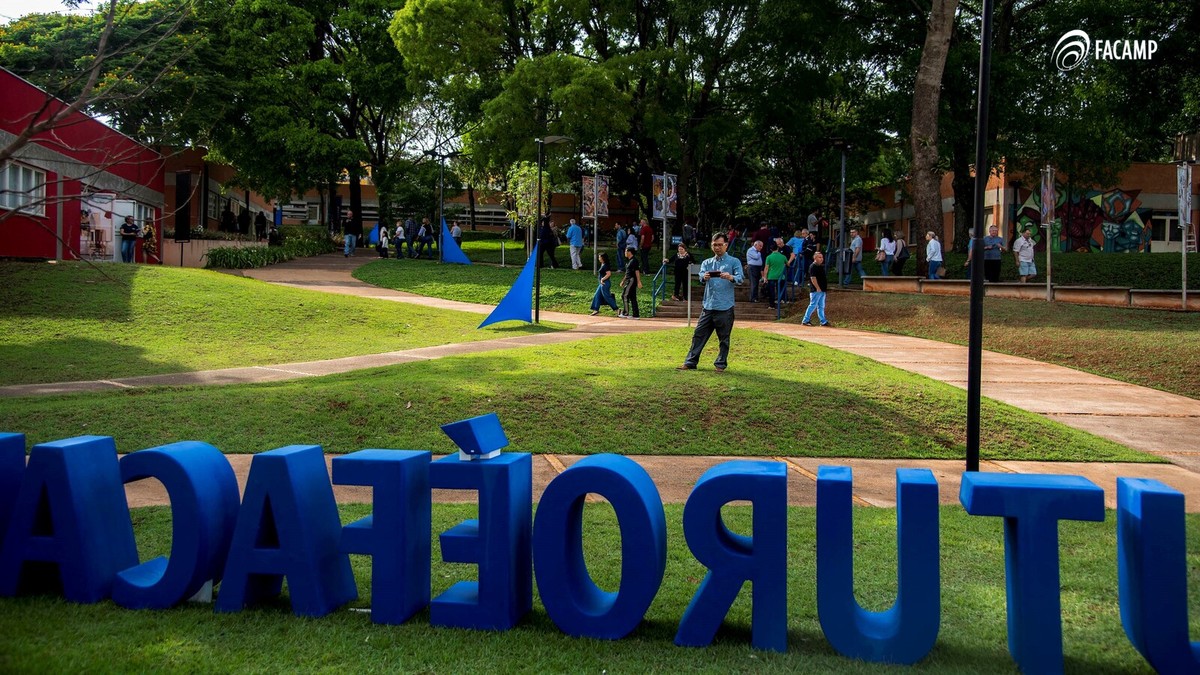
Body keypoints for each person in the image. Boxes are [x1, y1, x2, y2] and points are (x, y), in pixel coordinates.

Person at [676, 233, 744, 372]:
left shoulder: (733, 262)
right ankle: (690, 362)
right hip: (708, 305)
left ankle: (720, 364)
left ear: (726, 245)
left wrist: (730, 277)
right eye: (714, 245)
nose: (717, 247)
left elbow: (740, 278)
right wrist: (704, 277)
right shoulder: (707, 262)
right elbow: (701, 275)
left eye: (720, 244)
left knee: (724, 338)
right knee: (698, 334)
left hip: (725, 307)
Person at [801, 250, 832, 326]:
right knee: (813, 305)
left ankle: (823, 321)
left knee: (821, 306)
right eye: (819, 257)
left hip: (822, 290)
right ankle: (805, 320)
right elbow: (813, 278)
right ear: (815, 258)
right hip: (816, 290)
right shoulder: (813, 266)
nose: (821, 259)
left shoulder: (820, 266)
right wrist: (817, 288)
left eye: (822, 257)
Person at [763, 239, 789, 310]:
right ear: (777, 248)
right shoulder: (783, 257)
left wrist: (765, 277)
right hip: (781, 276)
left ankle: (772, 305)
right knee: (781, 289)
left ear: (771, 249)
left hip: (771, 276)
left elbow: (766, 268)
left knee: (771, 291)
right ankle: (782, 300)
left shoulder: (769, 257)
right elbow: (787, 264)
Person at [619, 245, 642, 318]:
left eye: (626, 251)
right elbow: (627, 273)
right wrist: (623, 281)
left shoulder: (634, 261)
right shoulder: (629, 261)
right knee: (632, 297)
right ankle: (636, 315)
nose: (625, 252)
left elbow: (637, 271)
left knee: (624, 295)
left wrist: (639, 281)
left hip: (631, 280)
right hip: (629, 279)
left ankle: (625, 313)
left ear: (630, 252)